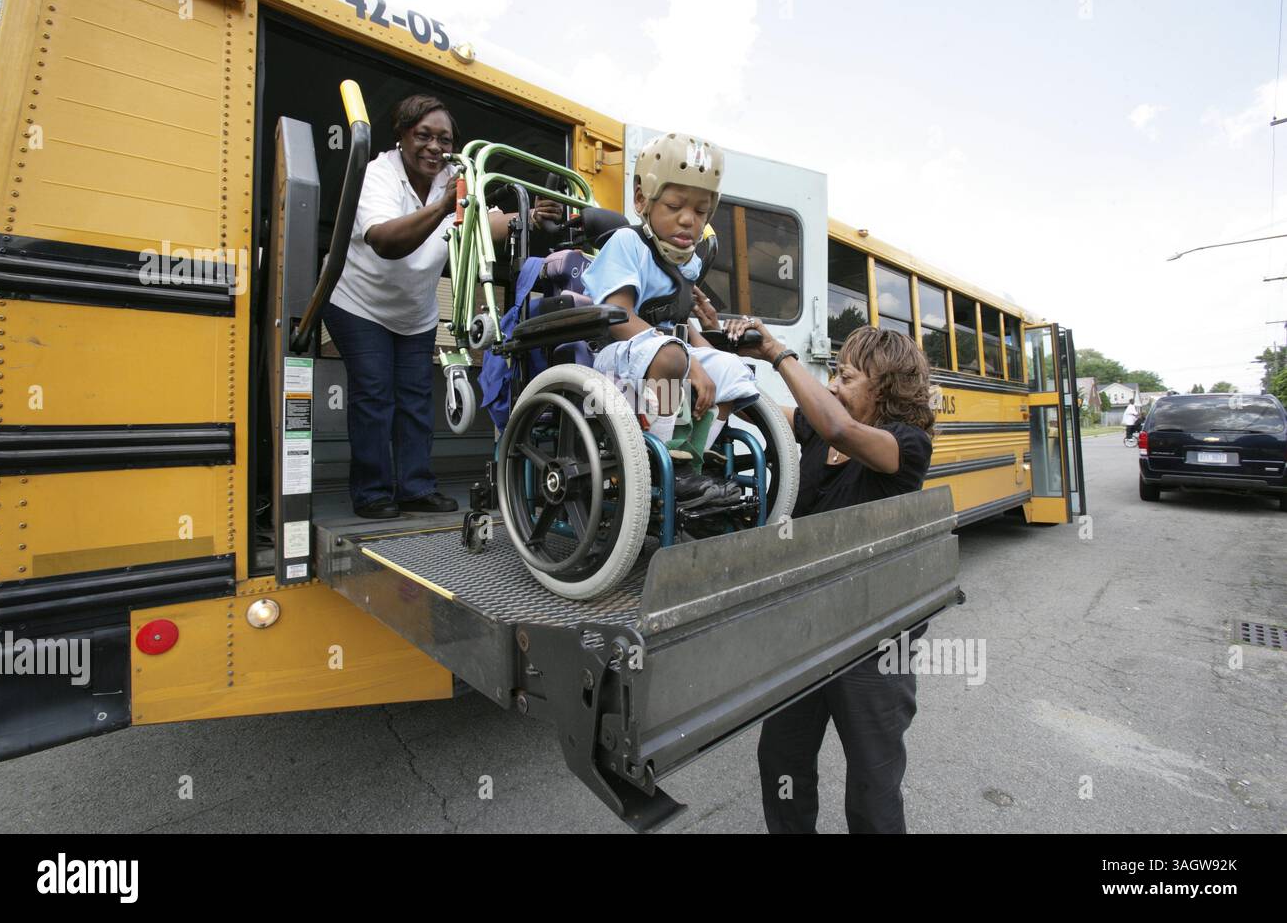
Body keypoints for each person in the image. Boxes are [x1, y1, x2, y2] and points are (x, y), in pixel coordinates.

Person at [722, 319, 935, 833]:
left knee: (872, 784)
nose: (834, 386)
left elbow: (840, 427)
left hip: (874, 641)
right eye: (833, 378)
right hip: (806, 635)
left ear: (885, 386)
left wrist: (777, 350)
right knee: (781, 765)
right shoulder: (819, 433)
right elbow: (767, 408)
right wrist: (714, 349)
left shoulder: (905, 445)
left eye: (846, 377)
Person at [324, 94, 560, 519]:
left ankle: (415, 487)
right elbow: (385, 241)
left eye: (444, 139)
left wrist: (527, 216)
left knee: (415, 399)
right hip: (357, 303)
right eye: (424, 136)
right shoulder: (378, 175)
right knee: (375, 394)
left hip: (413, 313)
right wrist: (441, 205)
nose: (435, 147)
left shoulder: (454, 175)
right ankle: (373, 492)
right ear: (401, 136)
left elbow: (481, 225)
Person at [581, 132, 757, 506]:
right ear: (643, 198)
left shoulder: (686, 264)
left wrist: (709, 358)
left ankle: (693, 457)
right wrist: (690, 360)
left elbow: (681, 321)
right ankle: (665, 466)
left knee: (733, 370)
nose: (687, 220)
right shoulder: (627, 244)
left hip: (663, 358)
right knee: (672, 355)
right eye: (676, 205)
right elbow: (618, 317)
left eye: (700, 211)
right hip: (618, 362)